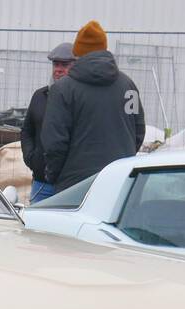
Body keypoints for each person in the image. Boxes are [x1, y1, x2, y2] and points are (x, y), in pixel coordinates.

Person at [38, 20, 145, 194]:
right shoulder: (127, 86)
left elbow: (54, 142)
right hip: (120, 185)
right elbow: (138, 131)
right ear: (104, 49)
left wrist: (55, 175)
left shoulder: (63, 89)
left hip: (74, 186)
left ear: (77, 53)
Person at [21, 42, 76, 203]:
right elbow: (27, 131)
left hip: (71, 184)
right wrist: (31, 158)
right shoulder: (40, 96)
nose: (58, 69)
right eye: (55, 64)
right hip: (41, 183)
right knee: (35, 226)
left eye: (64, 65)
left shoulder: (80, 99)